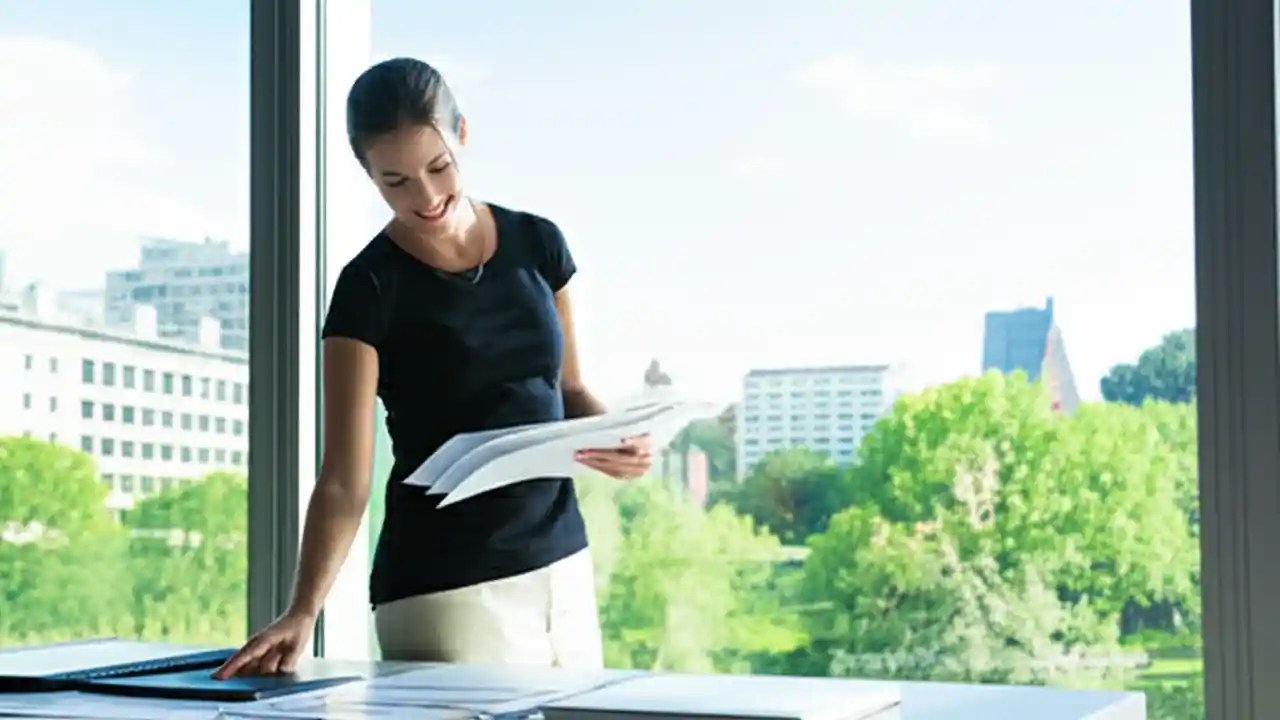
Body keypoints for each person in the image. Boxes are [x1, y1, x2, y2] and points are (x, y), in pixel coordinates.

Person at [213, 57, 651, 678]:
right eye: (395, 181)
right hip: (446, 590)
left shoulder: (540, 244)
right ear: (368, 175)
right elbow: (343, 477)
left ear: (462, 134)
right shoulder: (367, 288)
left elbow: (567, 389)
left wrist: (617, 439)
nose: (425, 197)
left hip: (562, 567)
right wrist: (302, 610)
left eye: (438, 167)